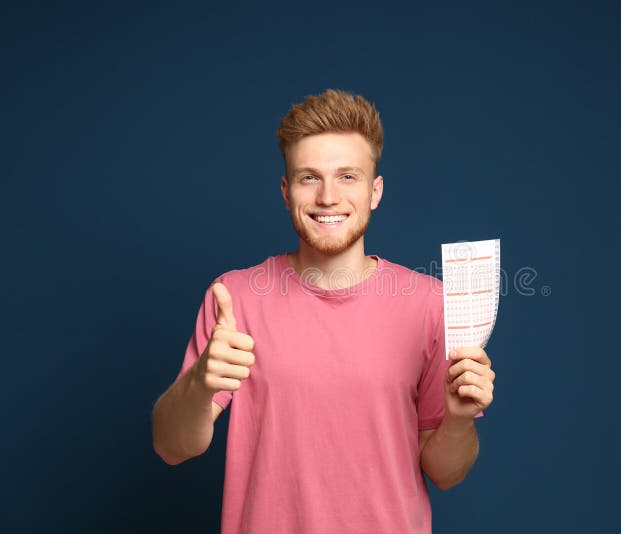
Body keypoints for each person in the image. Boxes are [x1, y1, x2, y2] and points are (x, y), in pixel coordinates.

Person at [151, 89, 496, 533]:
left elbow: (446, 473)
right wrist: (199, 384)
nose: (328, 197)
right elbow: (170, 446)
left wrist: (458, 419)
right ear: (285, 189)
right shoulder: (234, 298)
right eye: (309, 177)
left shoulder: (429, 304)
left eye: (348, 177)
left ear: (375, 191)